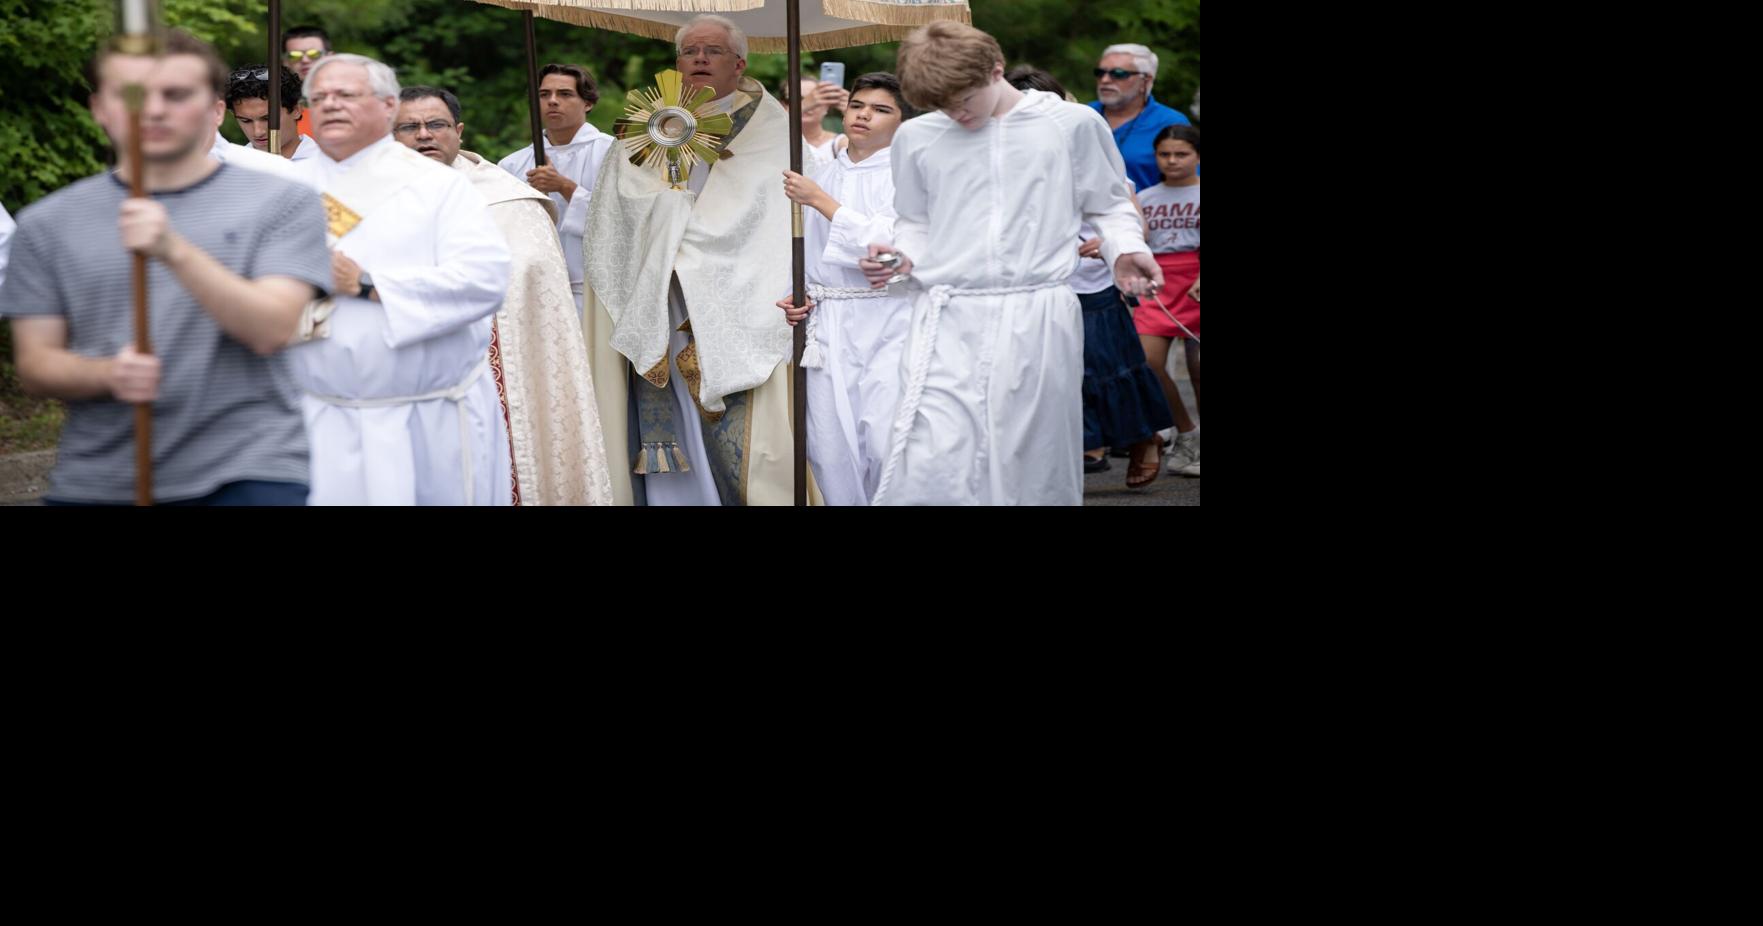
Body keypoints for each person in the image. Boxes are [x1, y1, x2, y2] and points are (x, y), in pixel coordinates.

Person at [0, 30, 330, 506]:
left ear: (214, 111)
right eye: (132, 94)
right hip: (102, 473)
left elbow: (273, 328)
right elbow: (35, 364)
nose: (153, 110)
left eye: (176, 94)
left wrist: (172, 248)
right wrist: (106, 376)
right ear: (99, 107)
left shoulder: (284, 199)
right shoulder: (47, 224)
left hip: (251, 470)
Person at [861, 21, 1161, 505]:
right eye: (941, 105)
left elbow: (1109, 205)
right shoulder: (917, 137)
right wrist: (900, 256)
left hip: (1037, 314)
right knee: (932, 453)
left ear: (996, 71)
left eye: (963, 99)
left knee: (1028, 460)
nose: (955, 114)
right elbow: (913, 220)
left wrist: (1124, 249)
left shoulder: (1072, 125)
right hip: (947, 314)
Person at [579, 13, 801, 505]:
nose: (699, 59)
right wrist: (667, 214)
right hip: (660, 293)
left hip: (737, 293)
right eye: (689, 51)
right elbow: (615, 210)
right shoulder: (645, 124)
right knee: (669, 401)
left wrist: (700, 235)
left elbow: (774, 212)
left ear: (739, 63)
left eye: (713, 51)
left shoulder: (772, 128)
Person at [286, 54, 513, 505]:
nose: (329, 105)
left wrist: (368, 284)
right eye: (319, 97)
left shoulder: (439, 186)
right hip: (323, 416)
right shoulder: (287, 187)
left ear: (387, 107)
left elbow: (484, 280)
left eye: (345, 95)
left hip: (428, 419)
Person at [397, 85, 613, 505]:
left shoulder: (506, 199)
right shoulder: (364, 200)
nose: (424, 134)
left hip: (492, 382)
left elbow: (530, 285)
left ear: (458, 131)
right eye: (409, 126)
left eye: (436, 124)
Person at [1007, 65, 1172, 488]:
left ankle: (1143, 438)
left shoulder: (1082, 142)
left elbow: (1124, 209)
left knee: (1109, 369)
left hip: (1090, 281)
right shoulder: (999, 153)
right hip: (1029, 284)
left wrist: (1109, 243)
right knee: (1056, 376)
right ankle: (1072, 453)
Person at [774, 72, 912, 505]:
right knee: (828, 443)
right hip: (827, 322)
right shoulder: (820, 172)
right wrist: (794, 292)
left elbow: (894, 245)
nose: (865, 115)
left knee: (885, 437)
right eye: (857, 105)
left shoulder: (905, 175)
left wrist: (823, 202)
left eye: (881, 109)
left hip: (887, 318)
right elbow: (800, 247)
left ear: (902, 121)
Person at [496, 64, 614, 315]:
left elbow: (622, 221)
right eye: (544, 94)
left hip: (595, 290)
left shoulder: (613, 154)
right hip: (533, 291)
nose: (552, 101)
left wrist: (564, 186)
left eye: (565, 94)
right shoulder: (512, 164)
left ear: (588, 102)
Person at [1136, 123, 1201, 477]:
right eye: (1165, 154)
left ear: (1197, 156)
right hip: (1157, 284)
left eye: (1181, 154)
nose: (1172, 161)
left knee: (1198, 368)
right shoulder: (1145, 198)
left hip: (1196, 277)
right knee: (1149, 362)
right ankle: (1187, 432)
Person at [1089, 43, 1190, 193]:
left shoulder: (1170, 123)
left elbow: (1189, 186)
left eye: (1118, 74)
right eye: (1100, 73)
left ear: (1146, 81)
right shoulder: (1084, 114)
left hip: (1146, 213)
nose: (1105, 80)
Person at [227, 63, 320, 160]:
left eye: (267, 119)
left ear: (297, 110)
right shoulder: (228, 165)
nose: (258, 132)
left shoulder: (328, 163)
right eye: (246, 121)